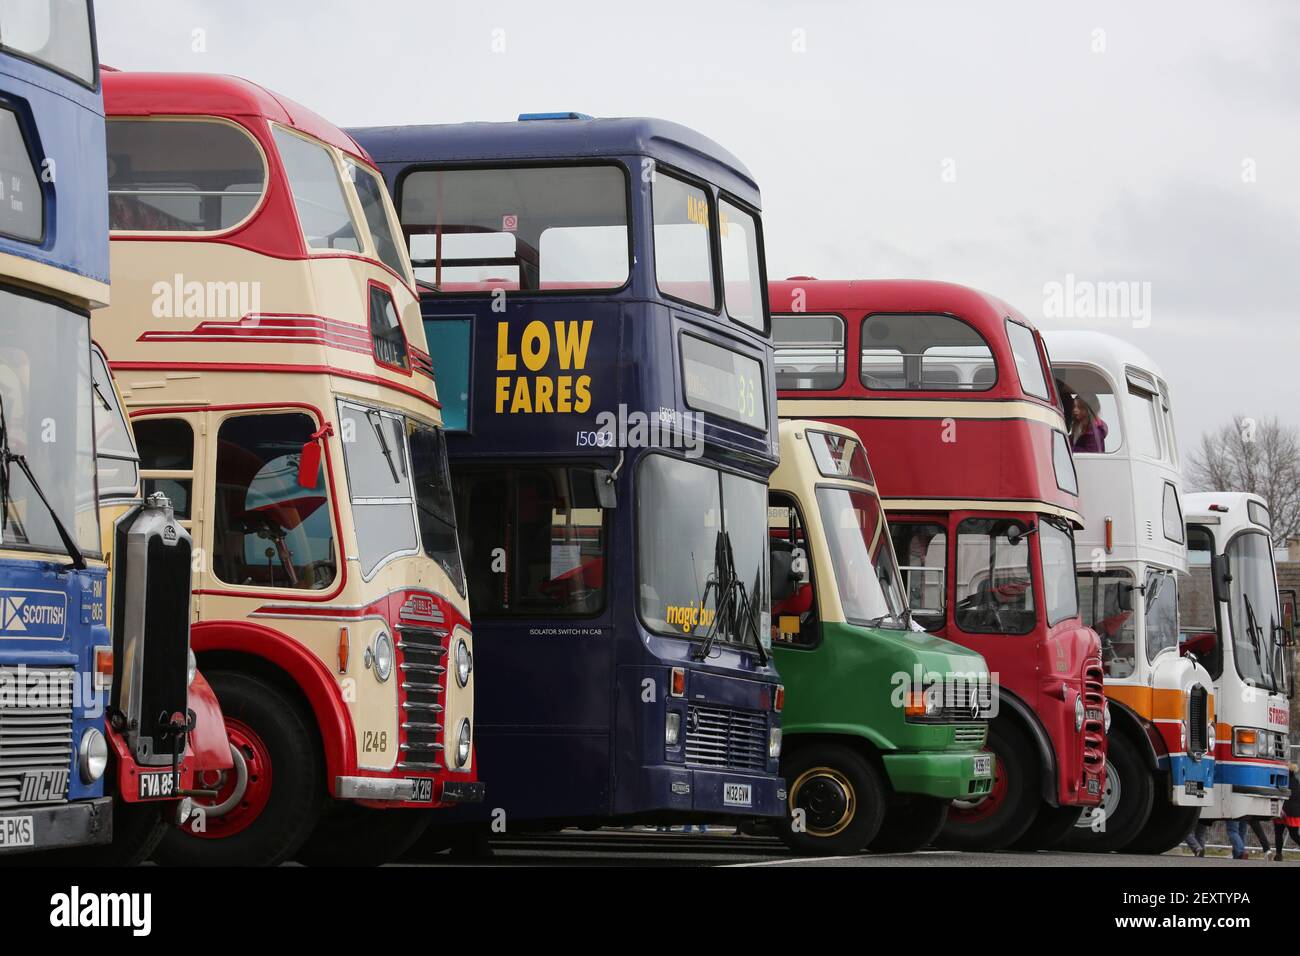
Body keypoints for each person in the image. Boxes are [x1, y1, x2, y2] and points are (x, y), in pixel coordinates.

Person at [1273, 764, 1300, 860]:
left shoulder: (1281, 780)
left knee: (1278, 833)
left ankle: (1278, 855)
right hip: (1294, 812)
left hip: (1282, 810)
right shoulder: (1296, 781)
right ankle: (1278, 855)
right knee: (1294, 835)